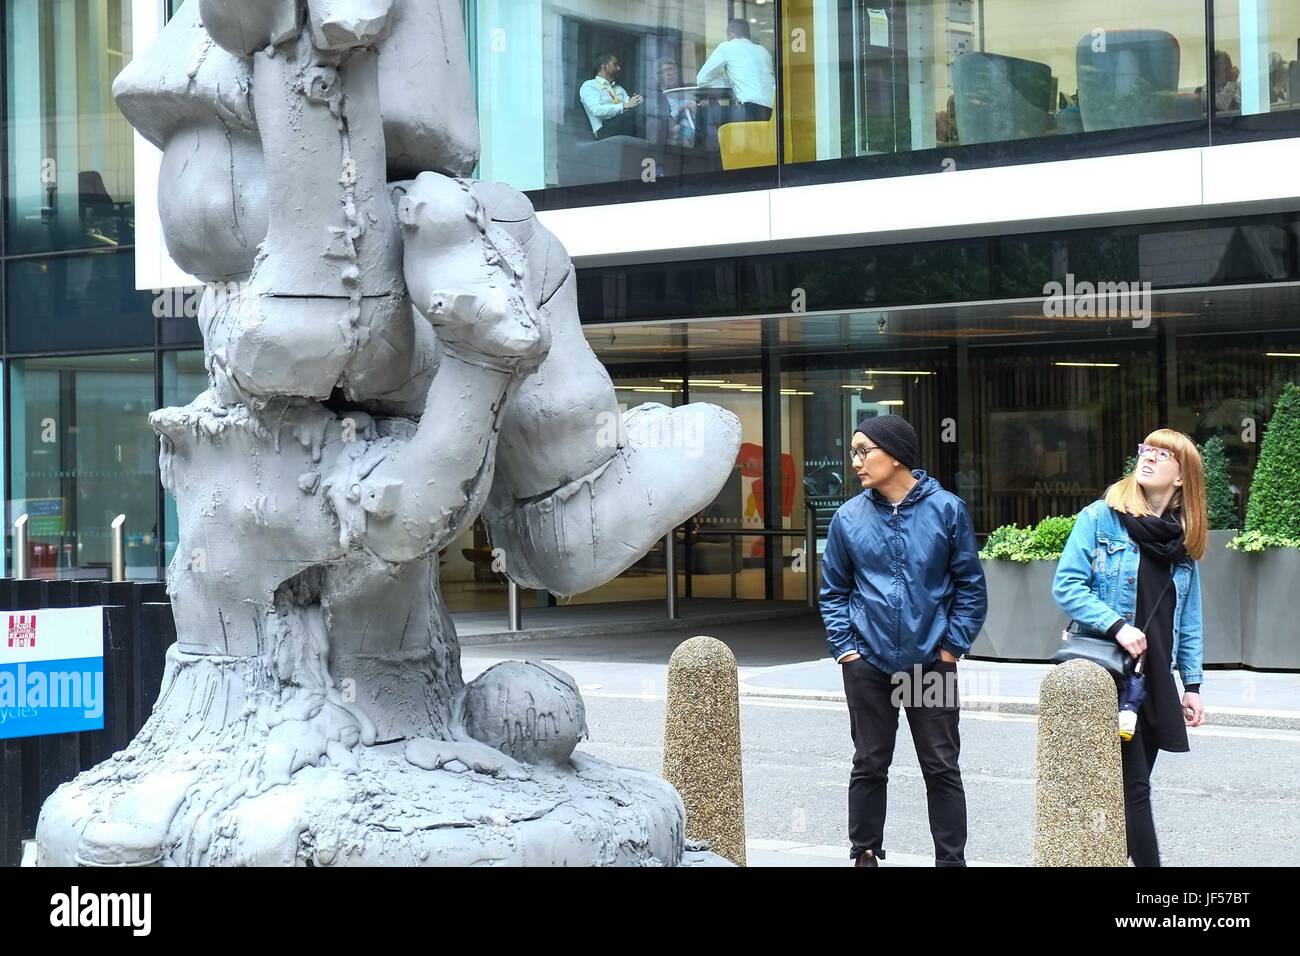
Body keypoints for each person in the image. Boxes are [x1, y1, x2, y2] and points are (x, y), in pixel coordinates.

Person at [819, 414, 988, 867]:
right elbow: (833, 591)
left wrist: (950, 649)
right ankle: (864, 855)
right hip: (868, 662)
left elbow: (970, 586)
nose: (855, 462)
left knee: (941, 766)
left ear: (895, 455)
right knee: (869, 763)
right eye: (853, 452)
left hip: (930, 662)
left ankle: (950, 861)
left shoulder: (947, 510)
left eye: (863, 451)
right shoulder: (848, 518)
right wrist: (846, 650)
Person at [1051, 429, 1207, 867]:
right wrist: (1117, 625)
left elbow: (1189, 620)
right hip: (1109, 675)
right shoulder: (1101, 518)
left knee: (1122, 796)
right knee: (1134, 788)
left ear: (1182, 477)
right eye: (1146, 450)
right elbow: (1067, 585)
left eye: (1162, 454)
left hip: (1152, 679)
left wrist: (1192, 685)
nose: (1149, 458)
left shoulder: (1182, 543)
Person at [696, 18, 775, 124]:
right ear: (748, 35)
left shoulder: (727, 47)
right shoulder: (763, 51)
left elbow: (701, 79)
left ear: (731, 35)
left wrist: (729, 82)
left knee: (704, 113)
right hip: (773, 109)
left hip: (749, 109)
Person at [579, 53, 644, 139]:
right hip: (604, 130)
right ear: (604, 66)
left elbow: (629, 107)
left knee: (643, 113)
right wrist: (623, 106)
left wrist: (637, 101)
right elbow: (597, 110)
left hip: (623, 124)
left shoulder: (619, 89)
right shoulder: (589, 85)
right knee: (636, 116)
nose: (619, 68)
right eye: (615, 64)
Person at [647, 59, 697, 148]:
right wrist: (682, 108)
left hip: (698, 132)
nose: (669, 73)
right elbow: (662, 121)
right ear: (659, 76)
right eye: (665, 71)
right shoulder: (656, 97)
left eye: (672, 69)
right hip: (675, 136)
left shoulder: (691, 89)